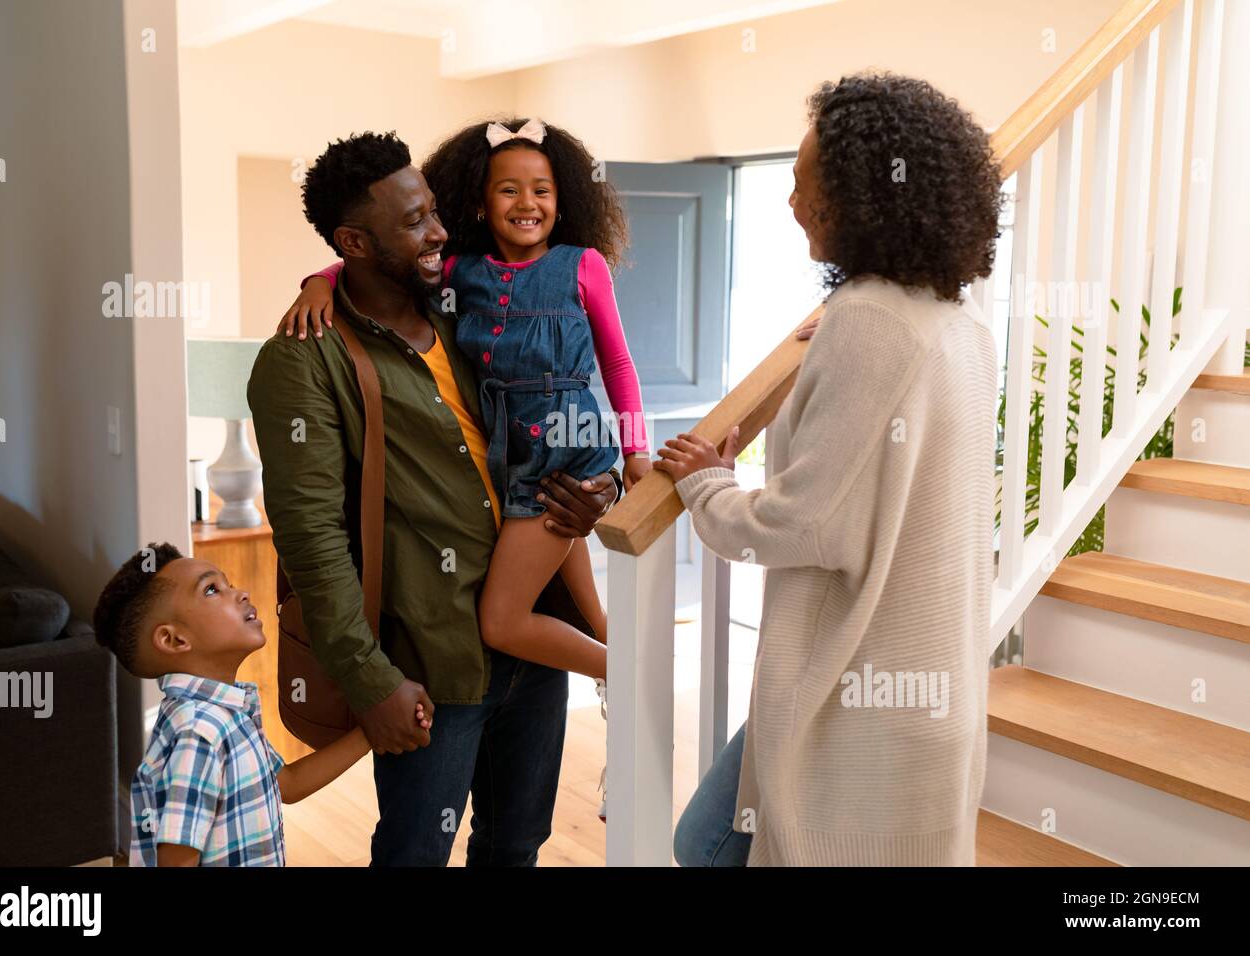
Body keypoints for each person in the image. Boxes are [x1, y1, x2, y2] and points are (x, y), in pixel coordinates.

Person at [656, 72, 1002, 866]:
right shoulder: (960, 321)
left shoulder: (870, 322)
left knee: (705, 848)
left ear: (863, 201)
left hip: (854, 690)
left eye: (805, 185)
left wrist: (708, 482)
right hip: (926, 687)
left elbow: (806, 522)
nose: (791, 202)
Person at [247, 131, 621, 865]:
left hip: (534, 638)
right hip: (429, 663)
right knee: (416, 851)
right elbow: (311, 539)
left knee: (516, 844)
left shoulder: (470, 317)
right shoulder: (304, 358)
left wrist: (600, 488)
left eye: (435, 213)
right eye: (414, 221)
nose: (440, 232)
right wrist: (368, 680)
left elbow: (558, 419)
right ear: (353, 242)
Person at [92, 543, 398, 866]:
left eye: (229, 583)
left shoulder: (227, 714)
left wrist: (372, 730)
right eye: (212, 590)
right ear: (174, 640)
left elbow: (287, 784)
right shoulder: (199, 732)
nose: (241, 593)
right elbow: (175, 861)